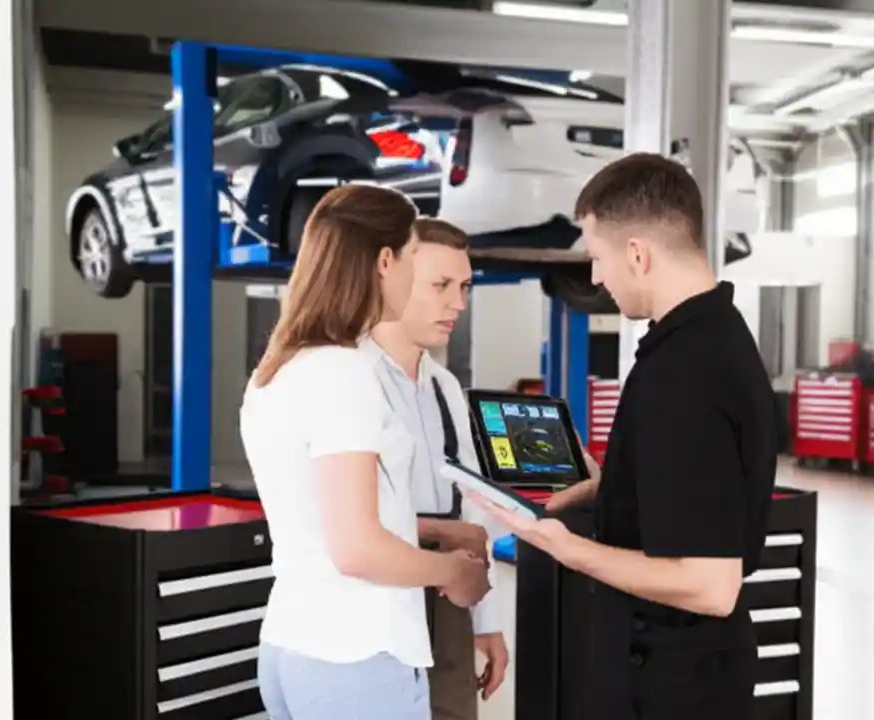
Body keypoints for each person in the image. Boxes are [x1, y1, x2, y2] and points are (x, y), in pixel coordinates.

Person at [473, 153, 777, 720]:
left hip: (675, 689)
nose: (595, 277)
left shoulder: (686, 372)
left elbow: (711, 586)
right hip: (686, 673)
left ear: (637, 253)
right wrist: (607, 485)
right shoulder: (709, 339)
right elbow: (703, 487)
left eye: (596, 257)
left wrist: (570, 548)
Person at [240, 186, 490, 720]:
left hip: (294, 644)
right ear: (385, 261)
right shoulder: (344, 372)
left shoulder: (279, 369)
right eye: (411, 258)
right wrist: (452, 572)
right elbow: (356, 549)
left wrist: (441, 531)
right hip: (358, 654)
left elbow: (324, 516)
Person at [358, 218, 509, 720]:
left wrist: (484, 619)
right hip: (375, 594)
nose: (458, 303)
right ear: (391, 276)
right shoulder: (347, 377)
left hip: (448, 600)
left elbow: (472, 513)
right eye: (441, 286)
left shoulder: (445, 388)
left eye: (464, 287)